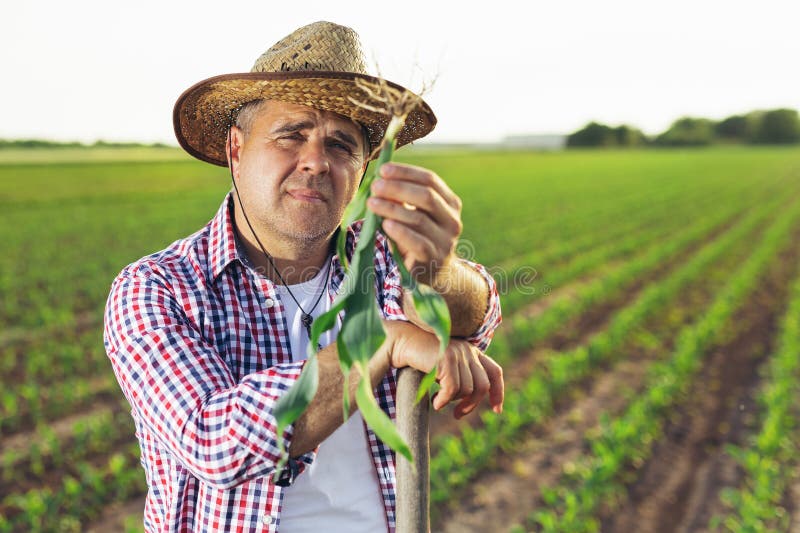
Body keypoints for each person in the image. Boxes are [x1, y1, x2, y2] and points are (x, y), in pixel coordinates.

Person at [104, 21, 503, 532]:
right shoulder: (158, 288)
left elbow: (479, 315)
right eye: (292, 135)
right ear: (236, 150)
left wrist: (438, 271)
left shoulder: (380, 258)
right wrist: (378, 342)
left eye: (340, 145)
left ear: (362, 169)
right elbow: (213, 440)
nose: (316, 161)